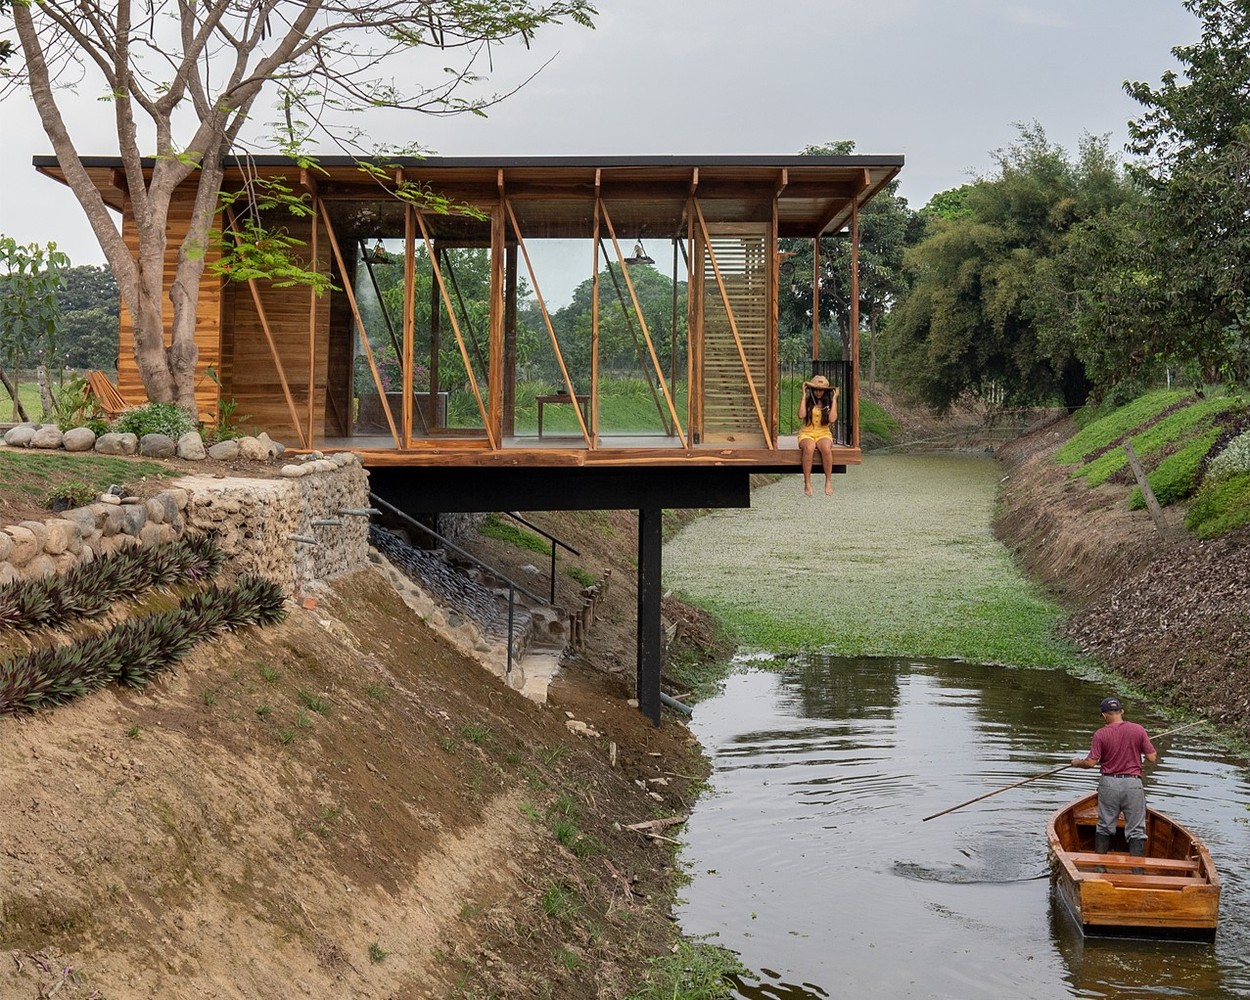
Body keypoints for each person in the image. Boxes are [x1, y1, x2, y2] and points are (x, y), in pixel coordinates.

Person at [1071, 697, 1158, 863]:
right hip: (1133, 784)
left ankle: (1099, 867)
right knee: (1137, 829)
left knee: (1104, 825)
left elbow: (1090, 763)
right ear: (1122, 712)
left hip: (1109, 783)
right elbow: (1152, 757)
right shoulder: (1138, 730)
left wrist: (1076, 763)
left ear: (1104, 715)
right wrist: (1140, 745)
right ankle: (1137, 870)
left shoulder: (1100, 734)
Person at [797, 374, 839, 497]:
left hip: (823, 432)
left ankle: (828, 481)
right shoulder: (808, 401)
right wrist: (803, 396)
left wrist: (835, 399)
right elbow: (801, 415)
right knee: (809, 448)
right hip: (807, 432)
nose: (818, 392)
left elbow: (832, 419)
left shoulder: (828, 403)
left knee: (826, 448)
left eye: (821, 390)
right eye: (816, 389)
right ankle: (807, 482)